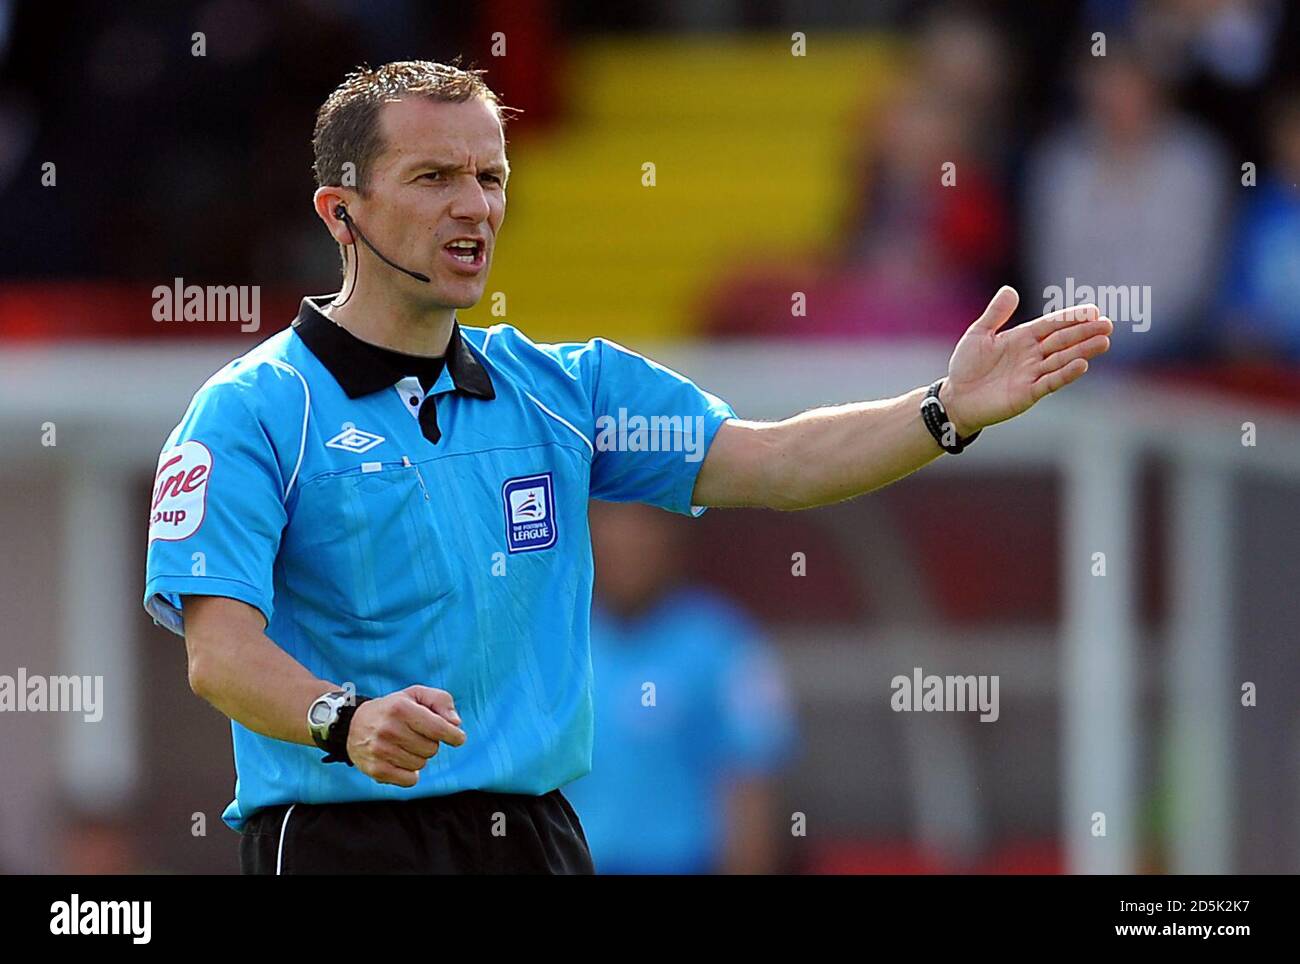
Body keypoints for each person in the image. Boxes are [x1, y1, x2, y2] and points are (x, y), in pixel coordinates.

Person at [142, 61, 1112, 875]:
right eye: (434, 176)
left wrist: (942, 411)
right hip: (341, 836)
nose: (474, 206)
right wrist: (342, 718)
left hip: (536, 836)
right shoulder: (253, 410)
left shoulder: (570, 390)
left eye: (490, 176)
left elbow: (777, 462)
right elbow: (218, 653)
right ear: (340, 211)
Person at [564, 502, 795, 874]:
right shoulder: (564, 642)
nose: (627, 543)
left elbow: (749, 785)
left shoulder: (723, 644)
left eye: (643, 528)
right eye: (612, 526)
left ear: (674, 535)